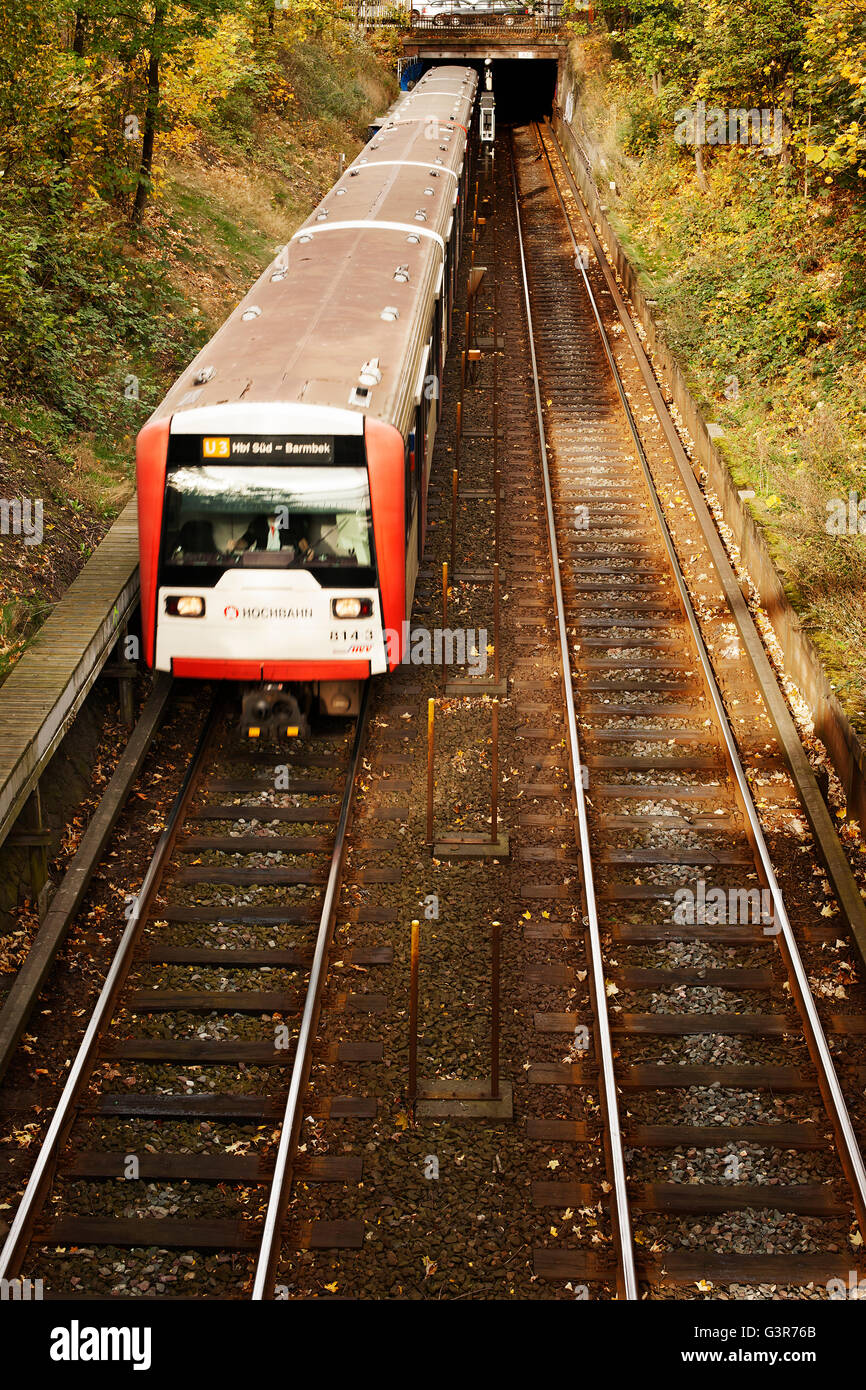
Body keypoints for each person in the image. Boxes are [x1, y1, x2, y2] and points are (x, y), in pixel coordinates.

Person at [227, 513, 311, 558]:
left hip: (286, 565)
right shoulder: (258, 522)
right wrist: (236, 544)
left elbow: (302, 542)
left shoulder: (292, 522)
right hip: (261, 563)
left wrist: (308, 552)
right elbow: (246, 540)